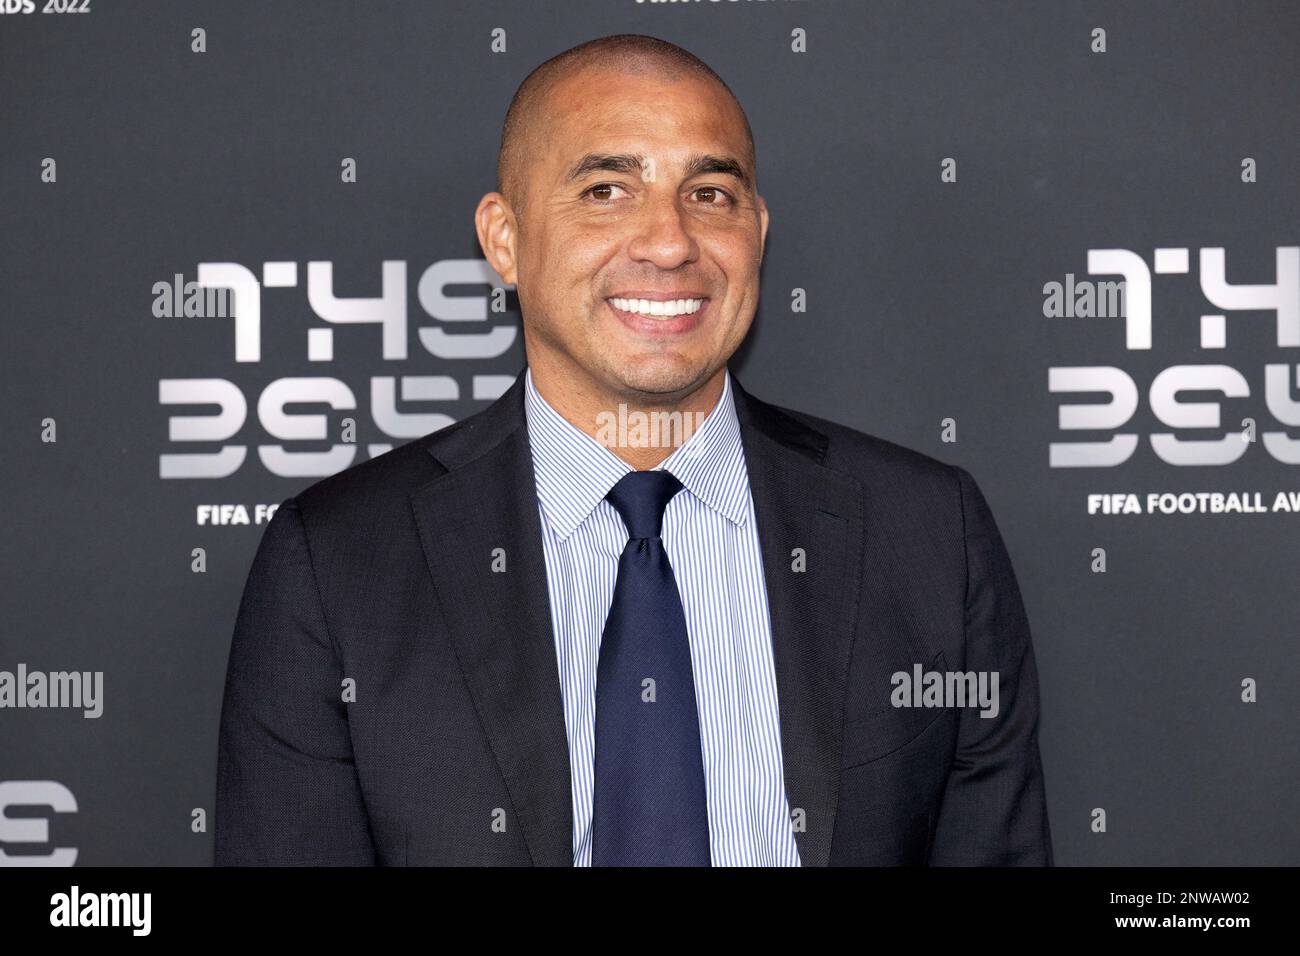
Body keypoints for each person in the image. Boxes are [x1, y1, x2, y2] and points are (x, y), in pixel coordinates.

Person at [215, 33, 1052, 866]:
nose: (669, 241)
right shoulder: (339, 563)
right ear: (504, 239)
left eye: (712, 194)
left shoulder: (929, 533)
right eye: (607, 189)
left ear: (758, 232)